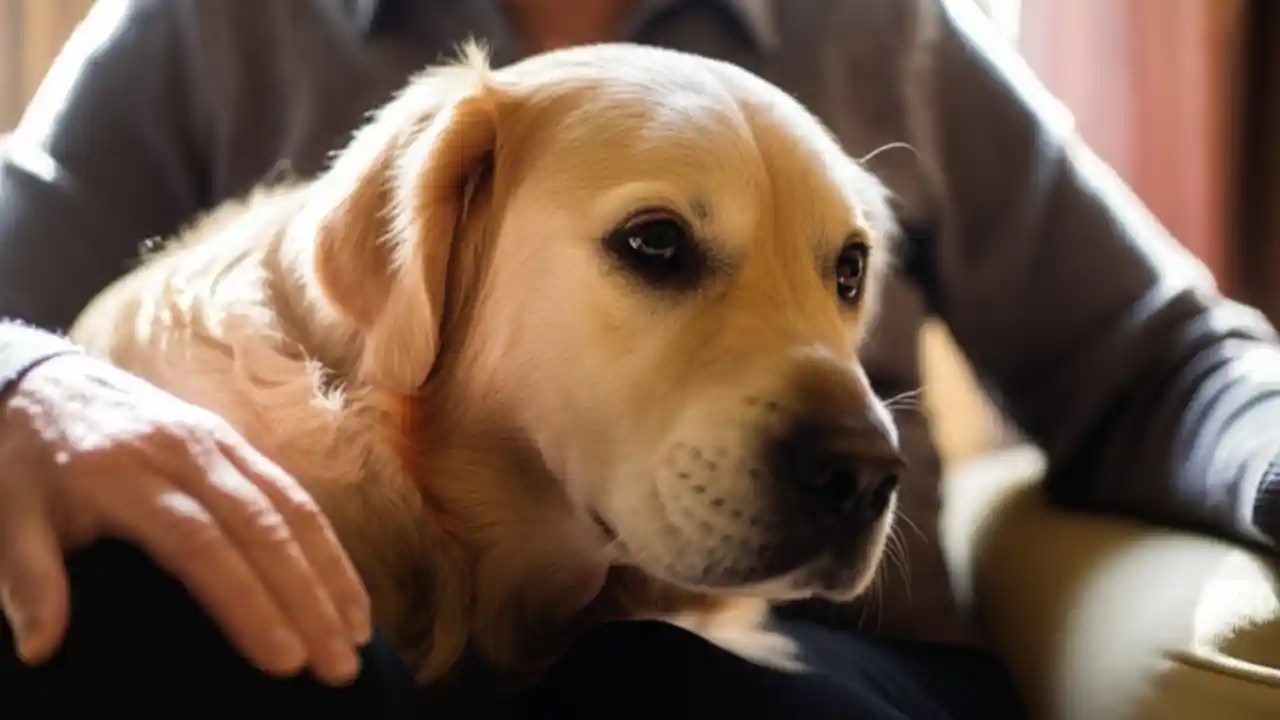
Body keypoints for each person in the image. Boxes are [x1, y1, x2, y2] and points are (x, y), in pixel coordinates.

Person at [0, 0, 1277, 717]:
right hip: (366, 617)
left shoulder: (893, 33)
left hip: (801, 662)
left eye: (844, 279)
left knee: (655, 702)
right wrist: (28, 382)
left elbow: (1160, 365)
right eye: (660, 249)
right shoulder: (205, 25)